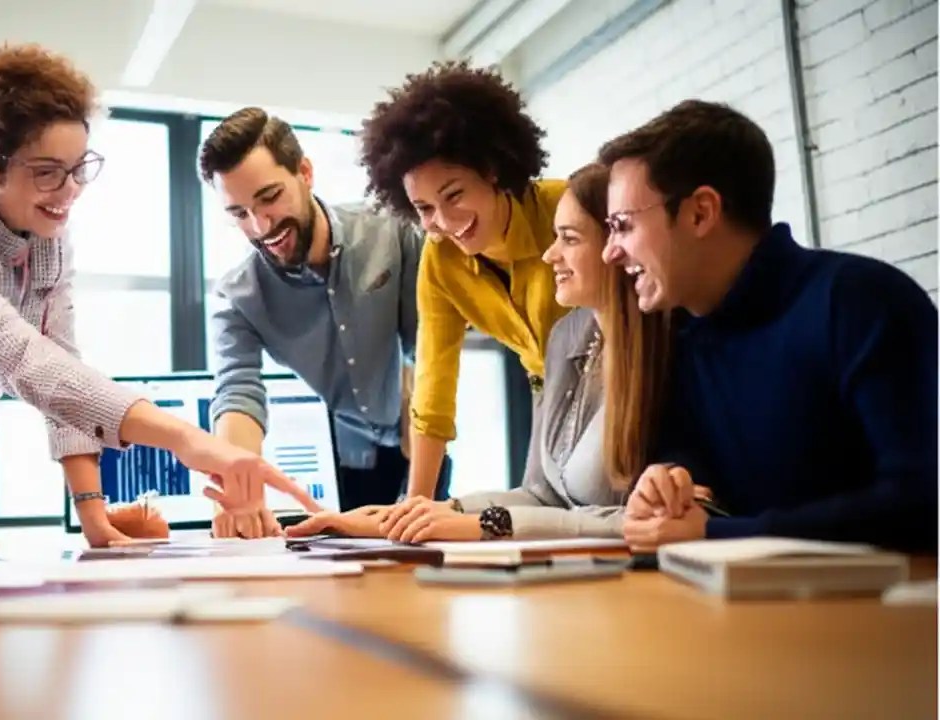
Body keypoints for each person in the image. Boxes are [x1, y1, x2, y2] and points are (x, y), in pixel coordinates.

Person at [0, 44, 318, 548]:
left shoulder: (47, 237)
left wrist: (92, 516)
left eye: (80, 167)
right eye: (47, 172)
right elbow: (26, 362)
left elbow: (62, 360)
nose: (70, 190)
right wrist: (189, 439)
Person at [600, 100, 937, 553]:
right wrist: (666, 487)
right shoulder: (681, 336)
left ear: (701, 212)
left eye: (622, 226)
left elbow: (919, 503)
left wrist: (713, 533)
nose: (610, 253)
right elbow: (689, 466)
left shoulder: (861, 301)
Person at [290, 164, 678, 541]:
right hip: (565, 379)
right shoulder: (565, 337)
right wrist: (417, 513)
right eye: (424, 208)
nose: (550, 254)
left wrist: (483, 525)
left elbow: (640, 520)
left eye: (569, 238)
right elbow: (435, 393)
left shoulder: (666, 357)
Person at [199, 107, 452, 538]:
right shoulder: (237, 296)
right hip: (337, 465)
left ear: (305, 172)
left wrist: (417, 493)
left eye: (269, 197)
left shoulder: (390, 230)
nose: (261, 226)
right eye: (239, 213)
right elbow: (238, 391)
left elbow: (428, 347)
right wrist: (240, 477)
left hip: (420, 441)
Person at [358, 60, 570, 502]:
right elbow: (433, 389)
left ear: (491, 168)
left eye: (453, 194)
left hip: (618, 382)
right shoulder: (439, 263)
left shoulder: (566, 208)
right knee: (541, 503)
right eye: (424, 208)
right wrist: (415, 504)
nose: (446, 222)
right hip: (545, 391)